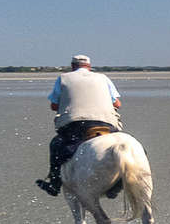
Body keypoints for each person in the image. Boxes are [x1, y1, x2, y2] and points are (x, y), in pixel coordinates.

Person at [36, 54, 122, 196]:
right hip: (106, 122)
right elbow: (117, 104)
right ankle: (118, 185)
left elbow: (54, 105)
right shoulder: (103, 78)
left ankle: (55, 184)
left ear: (72, 66)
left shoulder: (63, 78)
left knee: (56, 145)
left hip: (76, 123)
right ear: (89, 66)